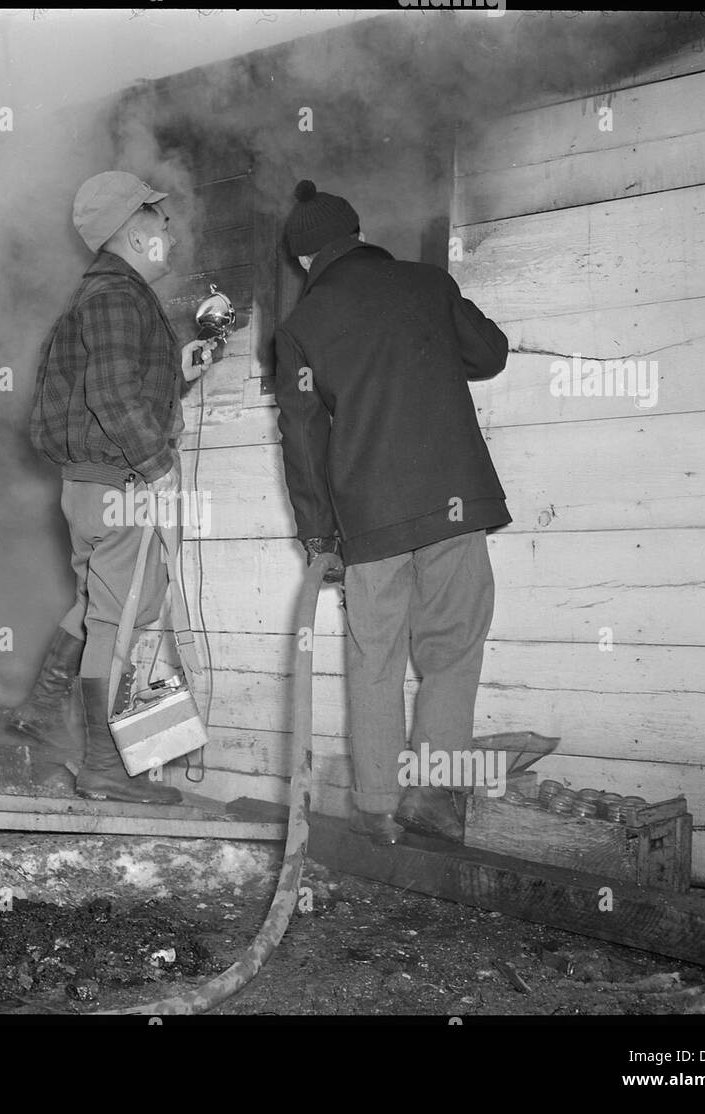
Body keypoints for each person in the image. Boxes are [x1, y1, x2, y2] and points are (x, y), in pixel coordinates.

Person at [273, 180, 511, 845]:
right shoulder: (427, 285)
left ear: (301, 261)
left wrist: (318, 535)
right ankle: (434, 796)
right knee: (451, 650)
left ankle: (376, 806)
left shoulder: (300, 329)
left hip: (368, 521)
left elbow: (301, 437)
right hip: (452, 505)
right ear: (357, 231)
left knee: (373, 656)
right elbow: (489, 352)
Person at [20, 171, 212, 804]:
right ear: (134, 231)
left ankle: (44, 708)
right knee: (122, 620)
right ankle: (106, 767)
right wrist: (157, 468)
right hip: (120, 483)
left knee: (118, 605)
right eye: (159, 221)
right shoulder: (115, 297)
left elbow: (112, 388)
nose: (169, 231)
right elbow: (111, 395)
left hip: (97, 482)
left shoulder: (110, 297)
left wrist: (178, 373)